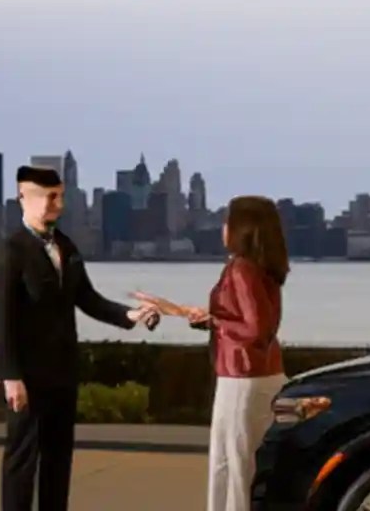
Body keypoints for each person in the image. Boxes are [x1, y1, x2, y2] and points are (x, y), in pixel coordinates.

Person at [0, 165, 160, 511]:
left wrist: (131, 316)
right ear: (25, 198)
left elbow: (87, 299)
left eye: (61, 197)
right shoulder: (10, 251)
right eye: (51, 197)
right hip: (28, 379)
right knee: (22, 461)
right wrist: (10, 376)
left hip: (62, 375)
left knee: (58, 462)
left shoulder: (66, 246)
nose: (58, 205)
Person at [132, 195, 289, 511]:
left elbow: (255, 330)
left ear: (242, 229)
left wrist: (214, 321)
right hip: (264, 374)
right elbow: (254, 324)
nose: (223, 228)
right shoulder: (266, 270)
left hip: (240, 377)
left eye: (227, 221)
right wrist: (209, 319)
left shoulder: (241, 269)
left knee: (232, 465)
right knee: (243, 462)